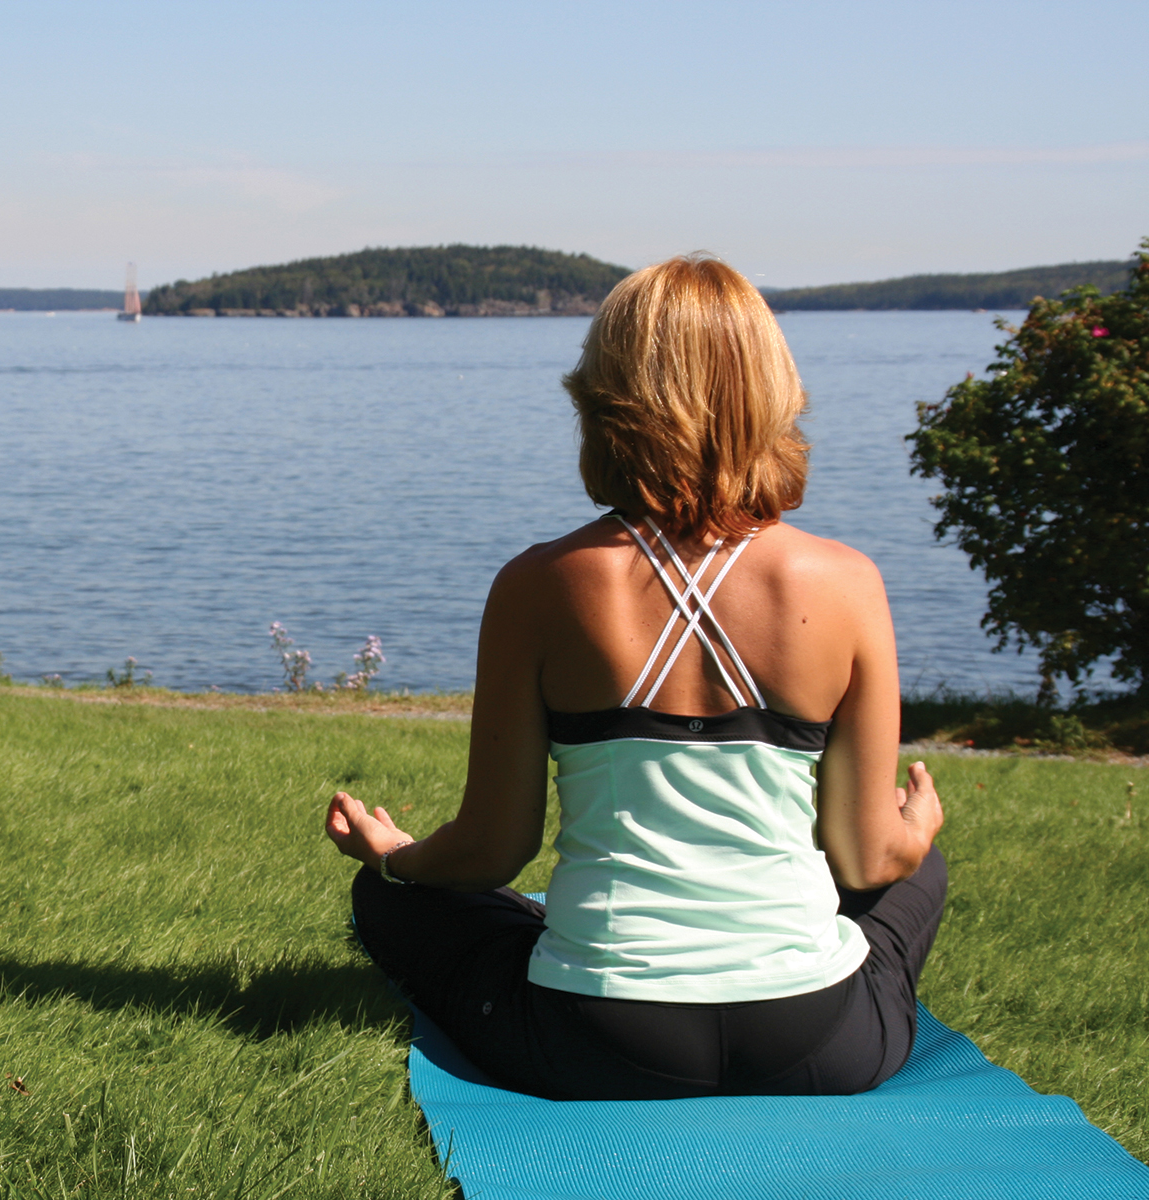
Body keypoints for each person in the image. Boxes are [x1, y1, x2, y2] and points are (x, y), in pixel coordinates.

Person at [325, 253, 946, 1100]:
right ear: (772, 391)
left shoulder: (538, 584)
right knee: (923, 869)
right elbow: (869, 857)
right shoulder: (846, 582)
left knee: (392, 900)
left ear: (605, 398)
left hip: (597, 1038)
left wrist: (395, 857)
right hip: (819, 1039)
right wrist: (914, 830)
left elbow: (493, 849)